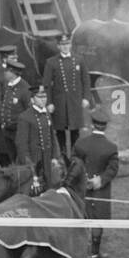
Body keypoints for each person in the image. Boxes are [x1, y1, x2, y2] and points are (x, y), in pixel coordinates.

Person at [74, 106, 119, 258]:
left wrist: (85, 179)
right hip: (102, 189)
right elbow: (113, 170)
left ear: (93, 125)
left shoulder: (81, 144)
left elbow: (74, 165)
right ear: (105, 127)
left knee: (82, 216)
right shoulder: (111, 148)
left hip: (82, 188)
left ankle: (79, 249)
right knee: (98, 220)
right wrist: (100, 180)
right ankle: (94, 251)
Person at [42, 31, 92, 161]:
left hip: (75, 102)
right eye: (62, 44)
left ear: (70, 44)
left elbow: (86, 80)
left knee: (75, 131)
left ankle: (75, 159)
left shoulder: (79, 59)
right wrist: (49, 103)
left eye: (67, 44)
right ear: (58, 46)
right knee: (60, 132)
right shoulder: (51, 62)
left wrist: (86, 97)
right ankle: (65, 159)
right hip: (59, 103)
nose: (65, 47)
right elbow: (46, 85)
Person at [0, 47, 31, 166]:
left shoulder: (16, 73)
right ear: (4, 59)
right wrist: (4, 121)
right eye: (12, 58)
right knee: (5, 155)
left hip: (18, 124)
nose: (15, 59)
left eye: (16, 57)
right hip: (3, 125)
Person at [17, 87, 62, 193]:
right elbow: (21, 144)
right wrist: (29, 166)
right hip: (34, 160)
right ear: (32, 100)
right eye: (40, 97)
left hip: (47, 160)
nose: (43, 99)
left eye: (45, 97)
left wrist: (55, 156)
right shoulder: (25, 117)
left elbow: (52, 136)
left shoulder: (47, 114)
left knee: (50, 188)